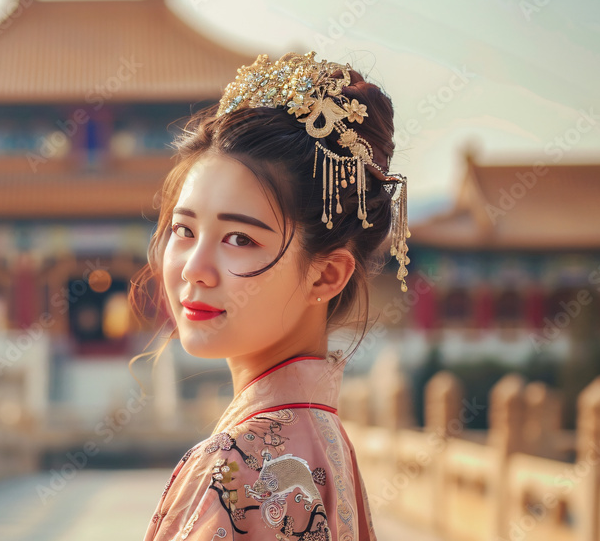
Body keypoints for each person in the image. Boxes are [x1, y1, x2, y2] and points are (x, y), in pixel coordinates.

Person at [129, 51, 409, 540]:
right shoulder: (326, 443)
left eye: (240, 239)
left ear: (325, 275)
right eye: (183, 229)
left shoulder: (234, 463)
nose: (195, 269)